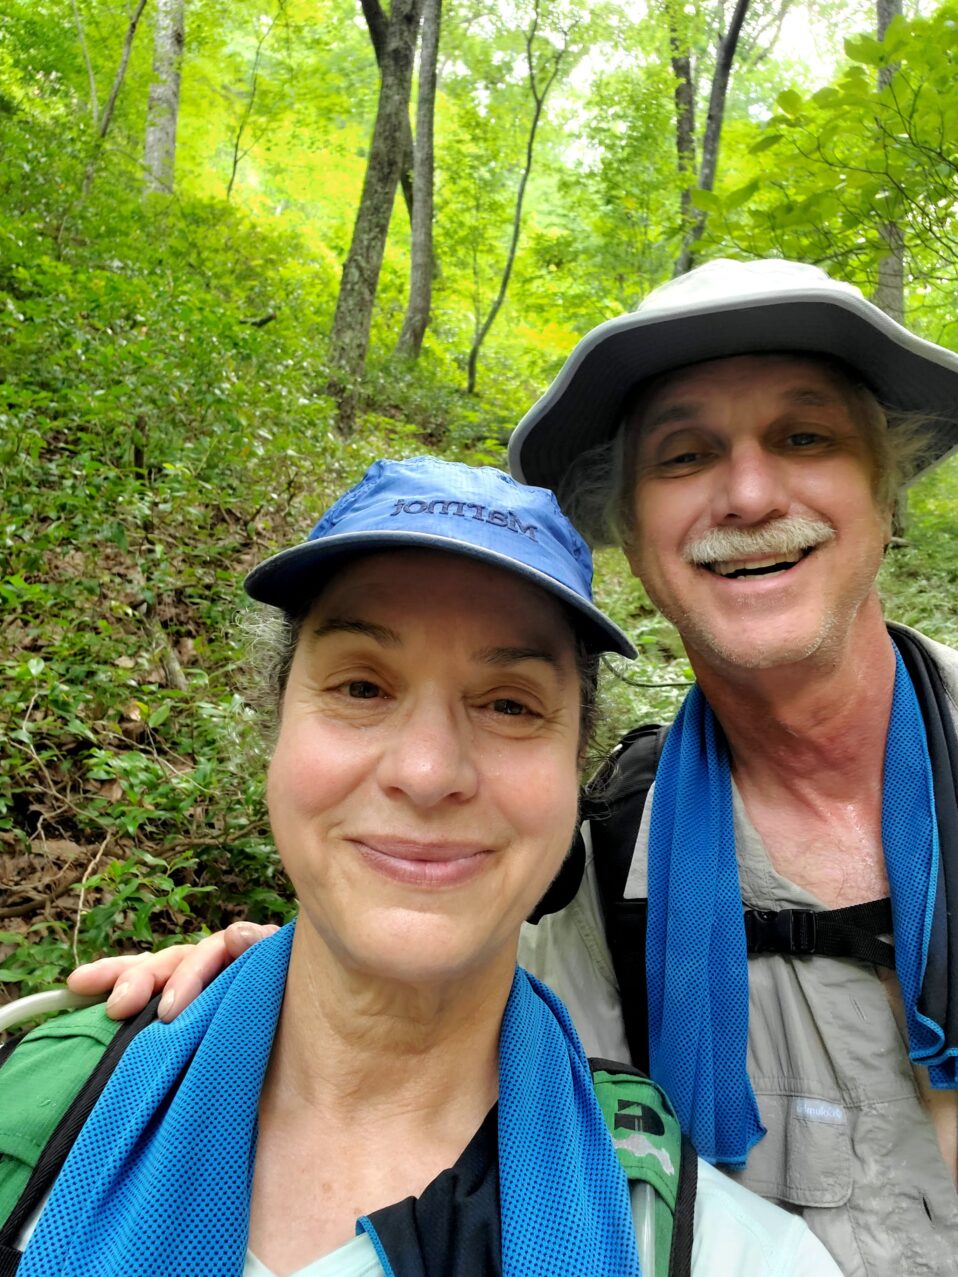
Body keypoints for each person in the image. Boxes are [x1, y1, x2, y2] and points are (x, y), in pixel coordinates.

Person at [70, 259, 958, 1274]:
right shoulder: (590, 873)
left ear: (887, 495)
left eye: (805, 437)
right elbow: (423, 990)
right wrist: (270, 984)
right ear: (630, 529)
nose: (749, 492)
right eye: (682, 455)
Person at [0, 456, 838, 1277]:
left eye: (509, 704)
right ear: (277, 730)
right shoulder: (39, 1112)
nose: (429, 771)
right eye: (362, 687)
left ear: (573, 773)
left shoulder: (714, 1248)